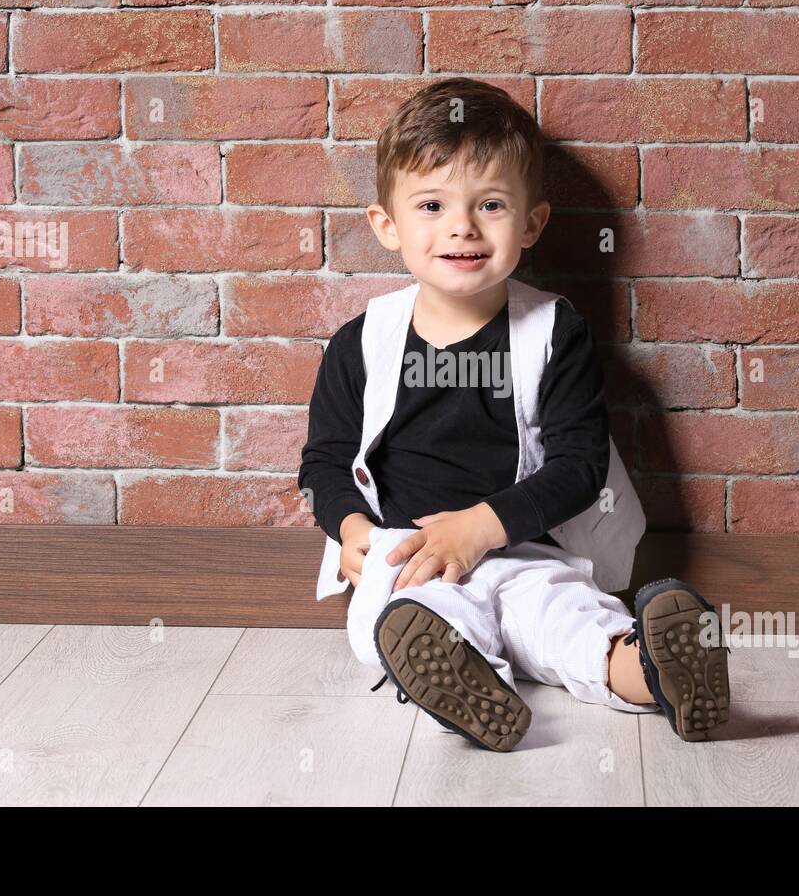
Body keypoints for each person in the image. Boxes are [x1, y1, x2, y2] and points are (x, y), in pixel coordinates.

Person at [298, 77, 730, 751]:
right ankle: (463, 686)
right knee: (417, 618)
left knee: (574, 624)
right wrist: (349, 526)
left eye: (491, 205)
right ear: (387, 225)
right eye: (432, 205)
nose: (462, 226)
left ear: (531, 223)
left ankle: (655, 670)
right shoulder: (363, 341)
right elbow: (324, 460)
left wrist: (481, 528)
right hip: (411, 557)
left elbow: (579, 469)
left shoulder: (555, 332)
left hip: (527, 548)